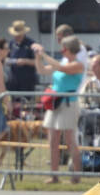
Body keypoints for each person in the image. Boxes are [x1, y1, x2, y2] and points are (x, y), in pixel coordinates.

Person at [35, 35, 86, 183]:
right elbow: (43, 70)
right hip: (55, 103)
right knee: (53, 141)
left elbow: (61, 68)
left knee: (70, 141)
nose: (61, 51)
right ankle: (54, 175)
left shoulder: (78, 65)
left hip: (69, 104)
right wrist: (38, 57)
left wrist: (44, 54)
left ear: (70, 50)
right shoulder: (62, 62)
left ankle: (76, 175)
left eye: (63, 48)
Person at [3, 19, 38, 109]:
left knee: (26, 106)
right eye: (15, 35)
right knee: (13, 104)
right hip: (13, 80)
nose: (17, 37)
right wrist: (9, 61)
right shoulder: (11, 43)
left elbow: (37, 62)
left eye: (18, 35)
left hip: (27, 81)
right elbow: (5, 57)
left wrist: (25, 61)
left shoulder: (31, 44)